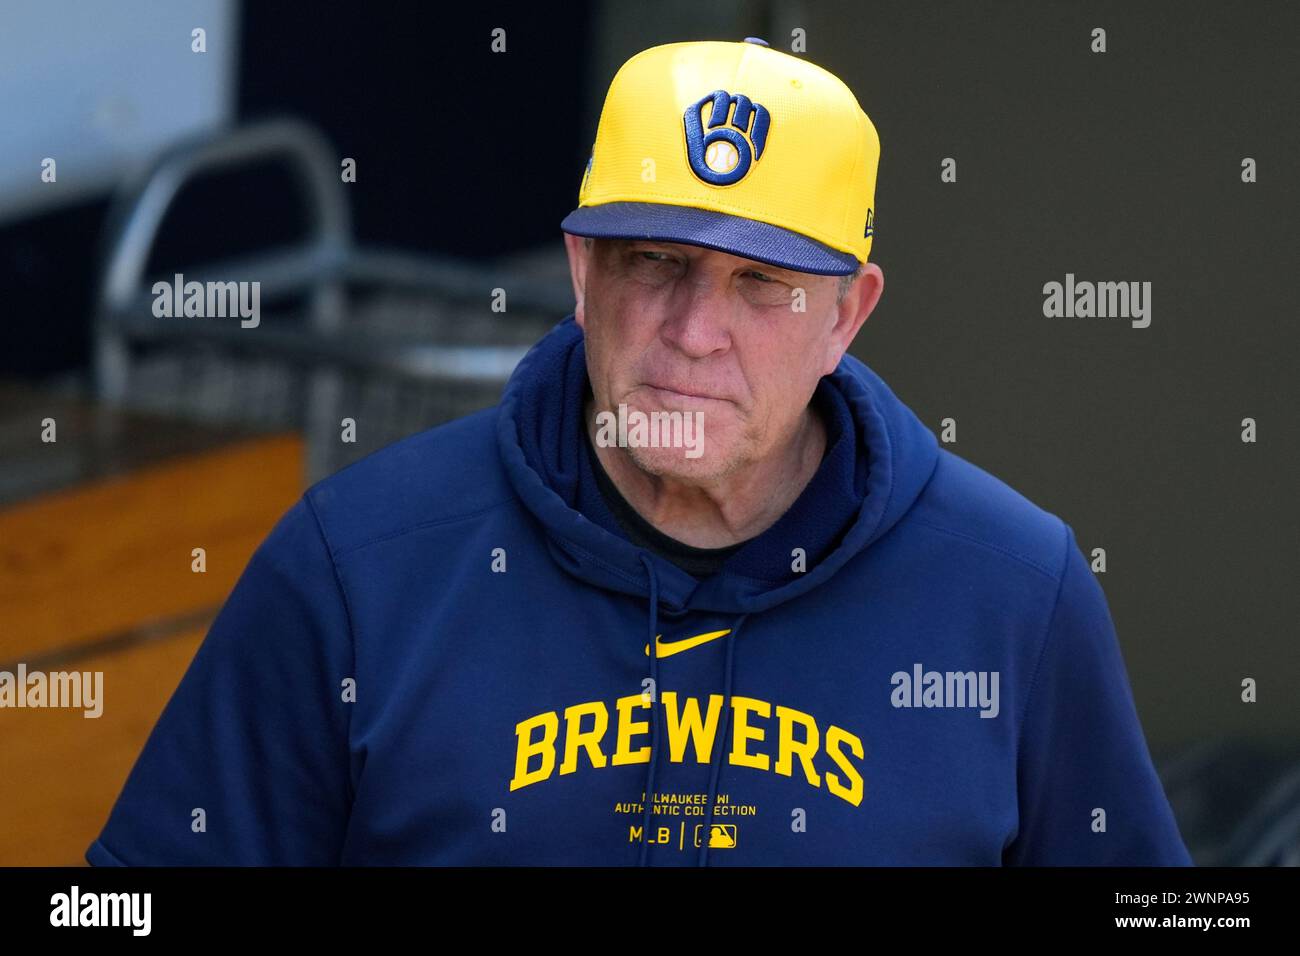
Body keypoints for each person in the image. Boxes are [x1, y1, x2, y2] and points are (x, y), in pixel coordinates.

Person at [86, 37, 1191, 866]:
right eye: (655, 262)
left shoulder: (1012, 587)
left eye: (762, 283)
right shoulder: (358, 564)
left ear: (847, 315)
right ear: (580, 273)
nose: (694, 331)